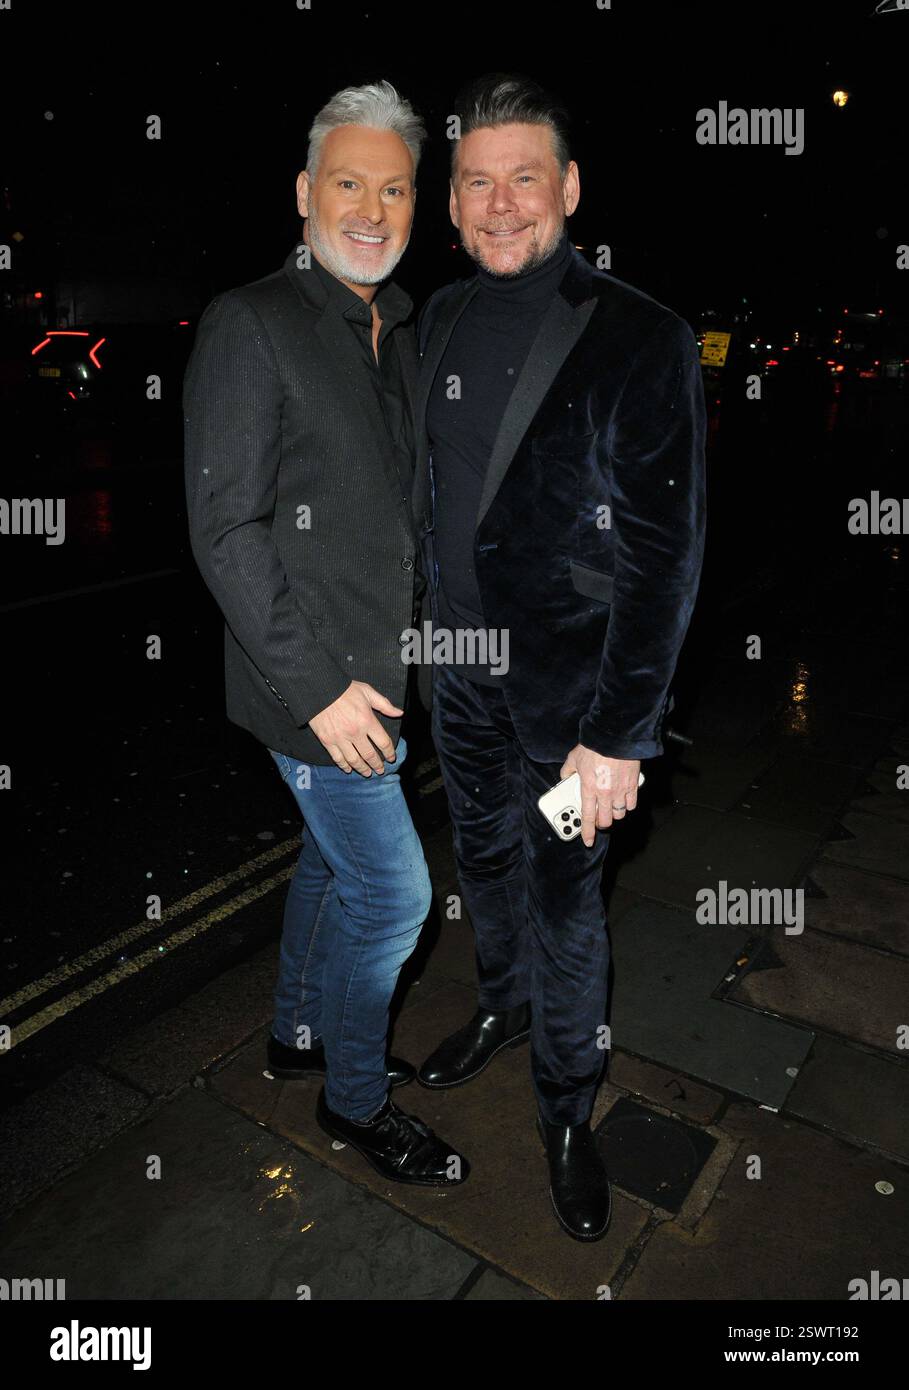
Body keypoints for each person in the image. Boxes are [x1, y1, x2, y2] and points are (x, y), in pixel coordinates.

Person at [411, 73, 705, 1237]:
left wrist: (621, 735)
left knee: (567, 899)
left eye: (522, 177)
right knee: (481, 863)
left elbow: (663, 558)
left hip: (573, 700)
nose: (498, 204)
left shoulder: (641, 336)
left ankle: (569, 1107)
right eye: (476, 181)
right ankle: (502, 1003)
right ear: (452, 199)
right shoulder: (433, 317)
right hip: (458, 673)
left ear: (569, 188)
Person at [184, 80, 468, 1189]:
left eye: (394, 188)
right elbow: (224, 525)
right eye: (348, 182)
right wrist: (318, 691)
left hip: (384, 679)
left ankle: (297, 1033)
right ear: (305, 192)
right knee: (395, 896)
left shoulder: (390, 330)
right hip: (317, 693)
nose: (371, 207)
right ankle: (354, 1101)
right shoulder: (252, 321)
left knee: (332, 868)